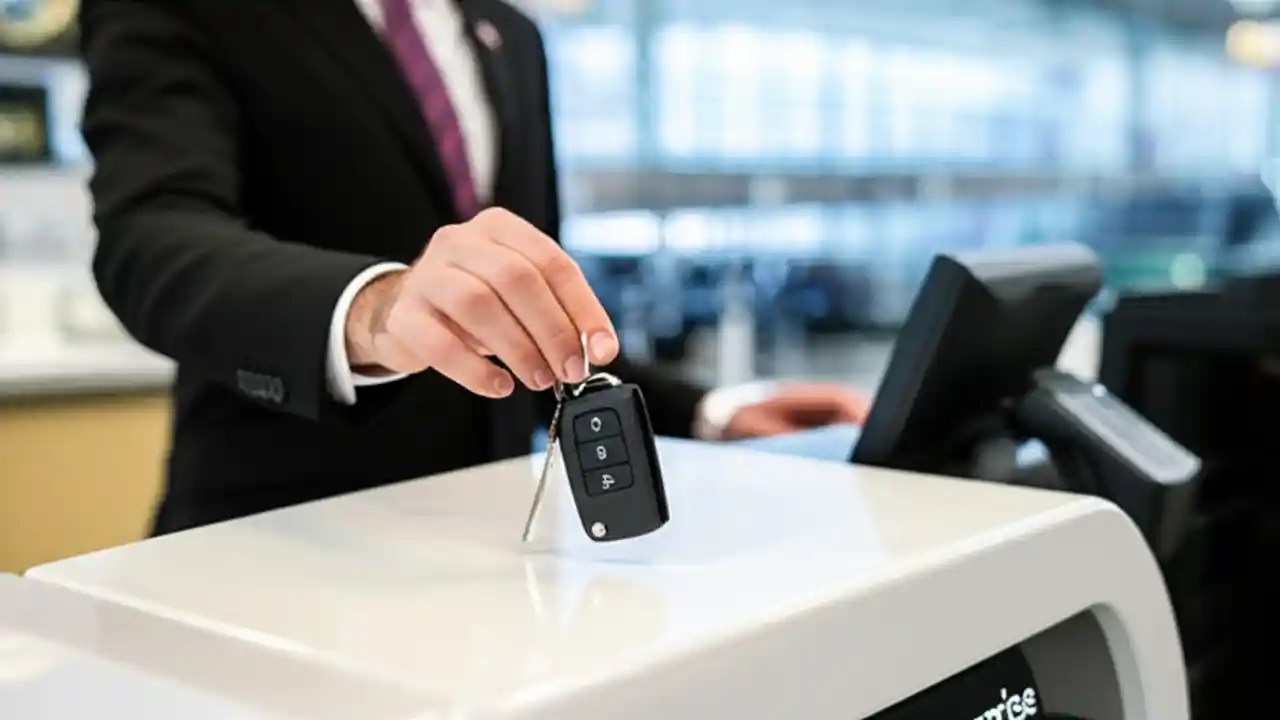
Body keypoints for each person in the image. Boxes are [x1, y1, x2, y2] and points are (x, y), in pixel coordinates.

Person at [79, 0, 871, 535]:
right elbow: (153, 238)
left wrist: (709, 412)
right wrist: (377, 310)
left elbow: (525, 314)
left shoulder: (510, 37)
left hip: (494, 543)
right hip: (277, 540)